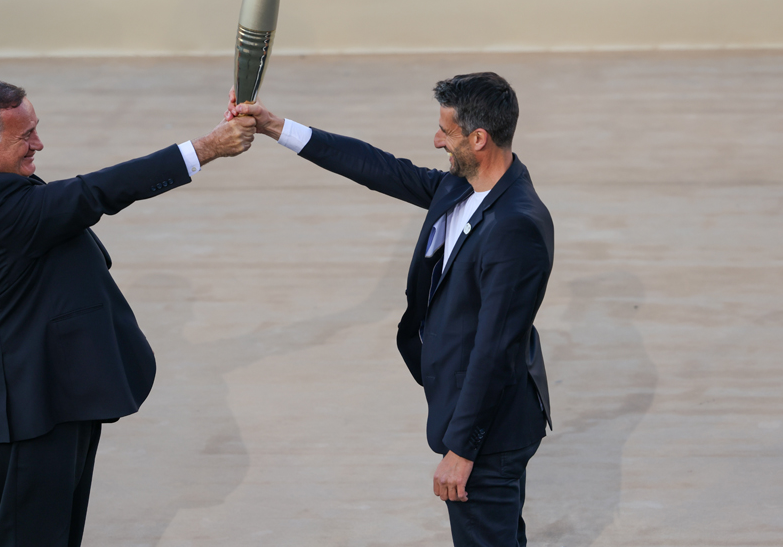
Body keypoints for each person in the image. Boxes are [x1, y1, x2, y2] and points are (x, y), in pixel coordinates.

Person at [231, 72, 553, 547]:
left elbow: (496, 350)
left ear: (479, 138)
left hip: (491, 433)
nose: (437, 140)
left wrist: (463, 450)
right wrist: (278, 127)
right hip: (476, 411)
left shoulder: (515, 226)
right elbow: (378, 167)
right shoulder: (462, 187)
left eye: (446, 130)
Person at [0, 79, 255, 547]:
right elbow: (95, 193)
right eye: (26, 135)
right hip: (22, 405)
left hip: (55, 392)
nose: (38, 144)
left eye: (35, 130)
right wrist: (206, 148)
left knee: (58, 535)